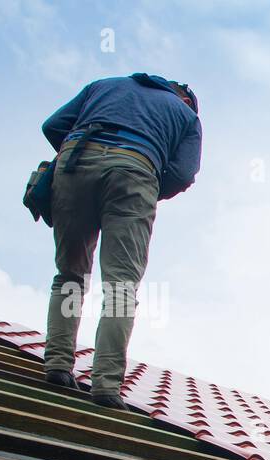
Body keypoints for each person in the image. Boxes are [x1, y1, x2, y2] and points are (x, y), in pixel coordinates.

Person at [40, 73, 202, 409]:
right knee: (121, 287)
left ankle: (56, 366)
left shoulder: (103, 85)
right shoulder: (187, 116)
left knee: (70, 274)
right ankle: (106, 386)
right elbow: (184, 173)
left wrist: (82, 156)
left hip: (74, 164)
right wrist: (149, 180)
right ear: (185, 99)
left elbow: (53, 125)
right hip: (135, 171)